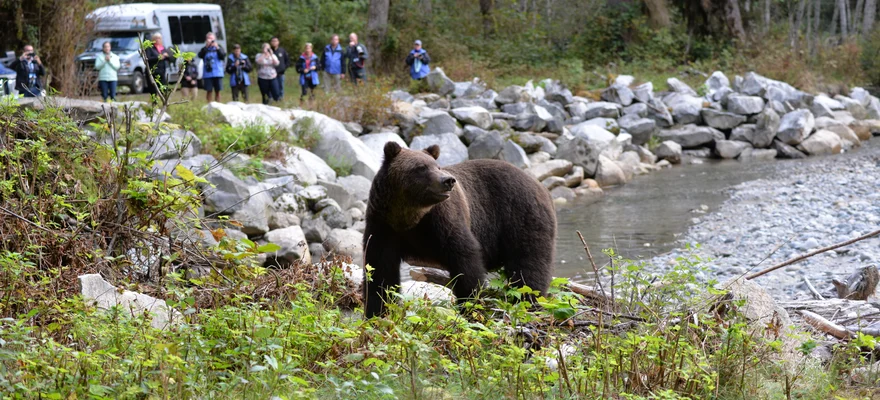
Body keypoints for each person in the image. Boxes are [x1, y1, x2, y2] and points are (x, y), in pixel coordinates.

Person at [198, 32, 226, 102]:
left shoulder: (219, 47)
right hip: (208, 74)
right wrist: (206, 47)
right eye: (209, 38)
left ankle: (218, 104)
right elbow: (200, 55)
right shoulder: (204, 49)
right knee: (209, 90)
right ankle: (209, 104)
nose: (210, 40)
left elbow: (223, 56)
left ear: (215, 39)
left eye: (212, 39)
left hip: (217, 73)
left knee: (218, 91)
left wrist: (217, 47)